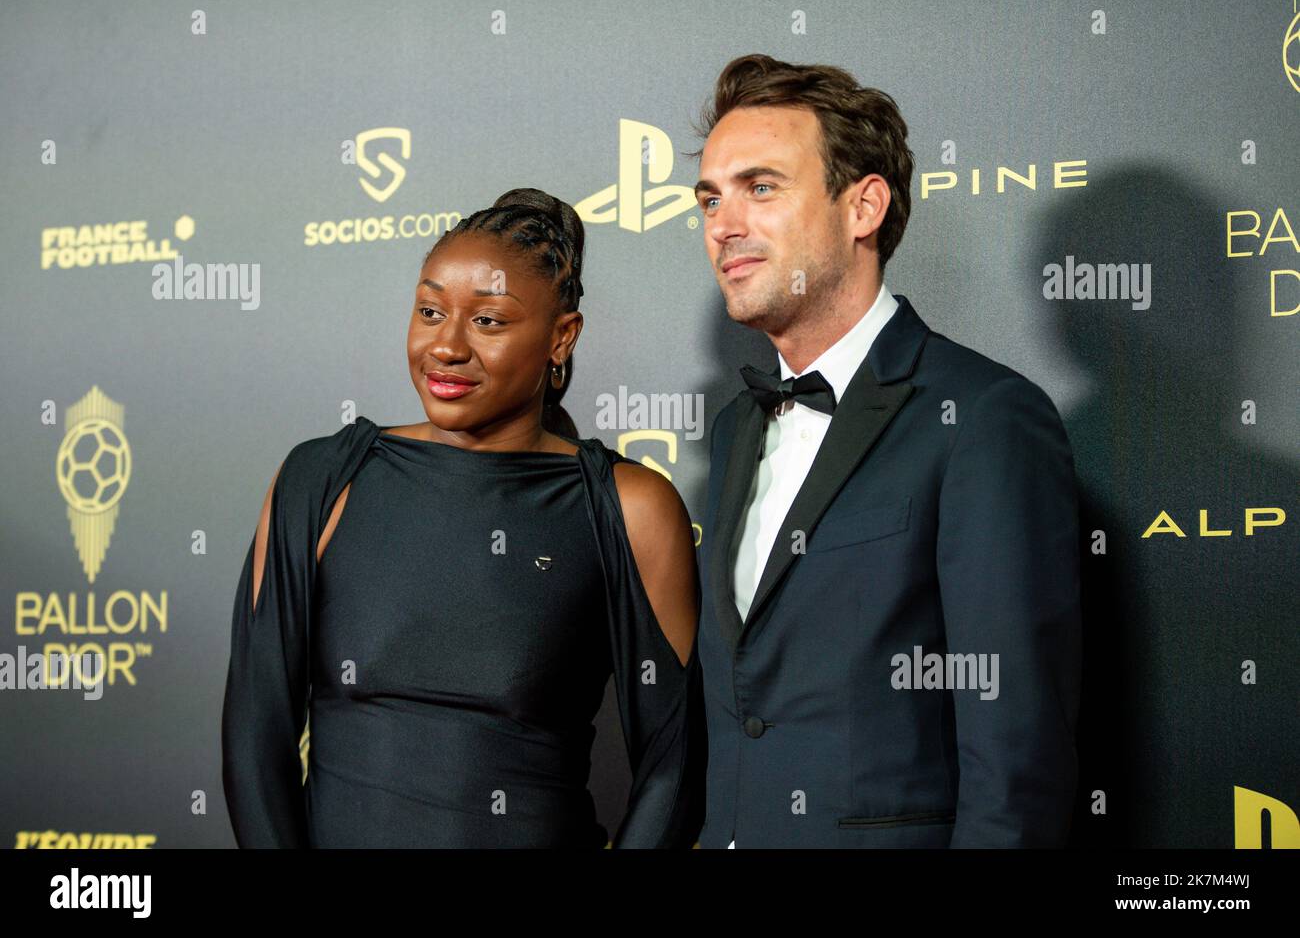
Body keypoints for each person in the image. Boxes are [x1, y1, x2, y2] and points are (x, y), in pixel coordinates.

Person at [221, 188, 704, 848]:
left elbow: (673, 768)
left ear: (561, 337)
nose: (446, 346)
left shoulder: (629, 508)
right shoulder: (321, 480)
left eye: (488, 321)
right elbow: (256, 740)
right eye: (430, 311)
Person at [690, 55, 1082, 847]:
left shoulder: (983, 417)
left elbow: (1015, 757)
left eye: (761, 187)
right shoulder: (735, 429)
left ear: (863, 205)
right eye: (710, 198)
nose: (723, 224)